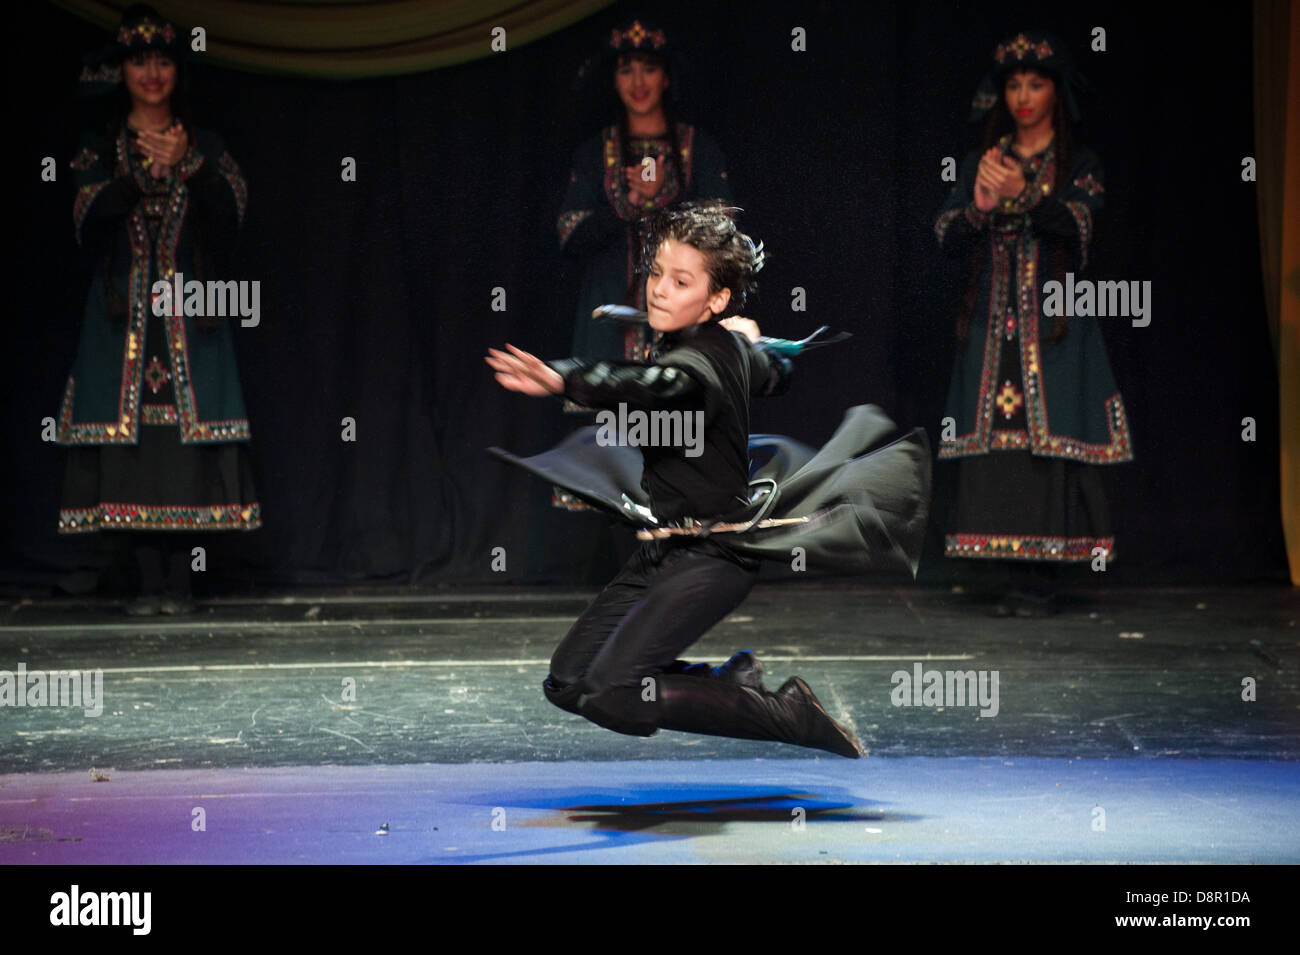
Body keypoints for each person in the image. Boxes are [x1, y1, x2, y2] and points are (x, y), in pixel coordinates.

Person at [488, 204, 931, 757]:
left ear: (717, 298)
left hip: (712, 557)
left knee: (614, 693)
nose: (658, 290)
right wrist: (753, 346)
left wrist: (568, 379)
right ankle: (728, 683)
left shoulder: (693, 365)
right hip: (662, 550)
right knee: (570, 681)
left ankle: (787, 713)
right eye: (656, 274)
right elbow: (777, 374)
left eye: (680, 281)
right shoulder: (709, 345)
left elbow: (654, 385)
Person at [57, 5, 259, 615]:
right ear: (121, 71)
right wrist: (141, 172)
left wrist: (188, 166)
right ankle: (146, 584)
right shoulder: (99, 147)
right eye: (139, 61)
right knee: (132, 447)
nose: (151, 72)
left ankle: (181, 584)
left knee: (185, 449)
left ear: (178, 71)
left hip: (191, 315)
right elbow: (83, 228)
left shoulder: (208, 147)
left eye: (163, 60)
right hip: (121, 322)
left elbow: (233, 224)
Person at [933, 30, 1133, 617]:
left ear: (1055, 92)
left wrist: (1027, 195)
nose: (1023, 96)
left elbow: (1082, 226)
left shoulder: (1077, 163)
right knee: (996, 442)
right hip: (992, 329)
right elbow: (944, 232)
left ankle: (1047, 575)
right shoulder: (981, 161)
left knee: (1052, 441)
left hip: (1056, 331)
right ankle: (1007, 570)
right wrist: (980, 208)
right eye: (1014, 84)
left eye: (1036, 83)